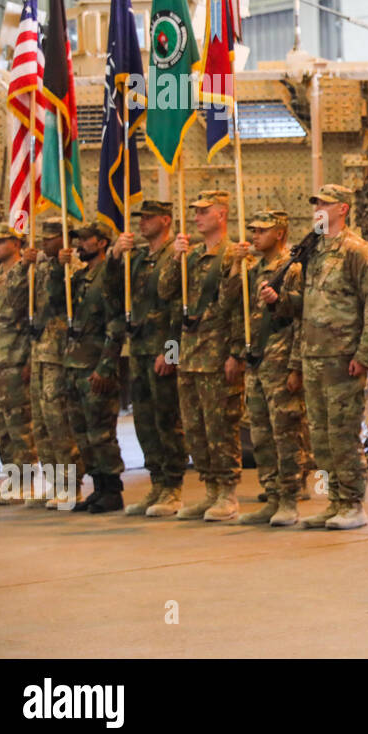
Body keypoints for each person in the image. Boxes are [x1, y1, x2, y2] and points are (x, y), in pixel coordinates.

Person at [261, 184, 368, 531]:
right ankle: (334, 501)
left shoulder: (356, 252)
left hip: (342, 358)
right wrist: (278, 301)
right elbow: (304, 310)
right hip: (313, 356)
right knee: (319, 436)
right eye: (315, 202)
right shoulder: (312, 253)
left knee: (342, 435)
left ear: (343, 209)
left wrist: (365, 354)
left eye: (325, 203)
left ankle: (352, 503)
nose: (318, 207)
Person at [158, 189, 245, 522]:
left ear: (221, 215)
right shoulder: (191, 256)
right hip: (189, 356)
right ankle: (210, 490)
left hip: (217, 355)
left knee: (220, 426)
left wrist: (236, 353)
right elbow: (165, 294)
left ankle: (227, 492)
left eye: (204, 211)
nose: (196, 216)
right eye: (195, 211)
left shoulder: (231, 255)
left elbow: (235, 309)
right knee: (195, 429)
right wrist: (175, 258)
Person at [225, 211, 314, 526]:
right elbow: (232, 304)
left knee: (286, 433)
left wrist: (296, 366)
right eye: (252, 230)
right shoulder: (254, 269)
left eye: (261, 230)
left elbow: (303, 317)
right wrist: (236, 264)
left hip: (281, 360)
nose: (254, 235)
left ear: (279, 233)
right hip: (257, 360)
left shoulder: (292, 268)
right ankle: (272, 495)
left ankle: (290, 498)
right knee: (261, 434)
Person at [112, 200, 186, 517]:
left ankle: (172, 487)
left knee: (167, 419)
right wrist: (115, 255)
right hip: (140, 349)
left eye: (148, 218)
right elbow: (112, 291)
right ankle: (156, 483)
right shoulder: (139, 258)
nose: (142, 223)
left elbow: (180, 309)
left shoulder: (177, 254)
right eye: (140, 218)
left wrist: (171, 352)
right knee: (144, 421)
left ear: (165, 221)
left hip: (162, 349)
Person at [60, 222, 126, 513]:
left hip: (96, 365)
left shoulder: (107, 277)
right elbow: (54, 303)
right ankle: (98, 486)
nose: (79, 245)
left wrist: (106, 366)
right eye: (79, 240)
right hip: (75, 365)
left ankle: (112, 489)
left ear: (102, 243)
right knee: (82, 432)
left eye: (86, 240)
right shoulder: (80, 277)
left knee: (101, 432)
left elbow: (115, 324)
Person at [24, 217, 85, 509]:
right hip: (39, 353)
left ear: (65, 239)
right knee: (42, 424)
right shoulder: (42, 266)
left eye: (50, 238)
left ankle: (71, 484)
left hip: (60, 355)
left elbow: (76, 299)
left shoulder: (76, 265)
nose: (44, 243)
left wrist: (65, 267)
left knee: (60, 421)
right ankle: (55, 483)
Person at [0, 223, 36, 505]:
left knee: (20, 425)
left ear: (16, 243)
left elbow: (28, 319)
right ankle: (12, 478)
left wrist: (29, 360)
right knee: (1, 426)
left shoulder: (25, 274)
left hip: (15, 361)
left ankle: (26, 482)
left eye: (1, 241)